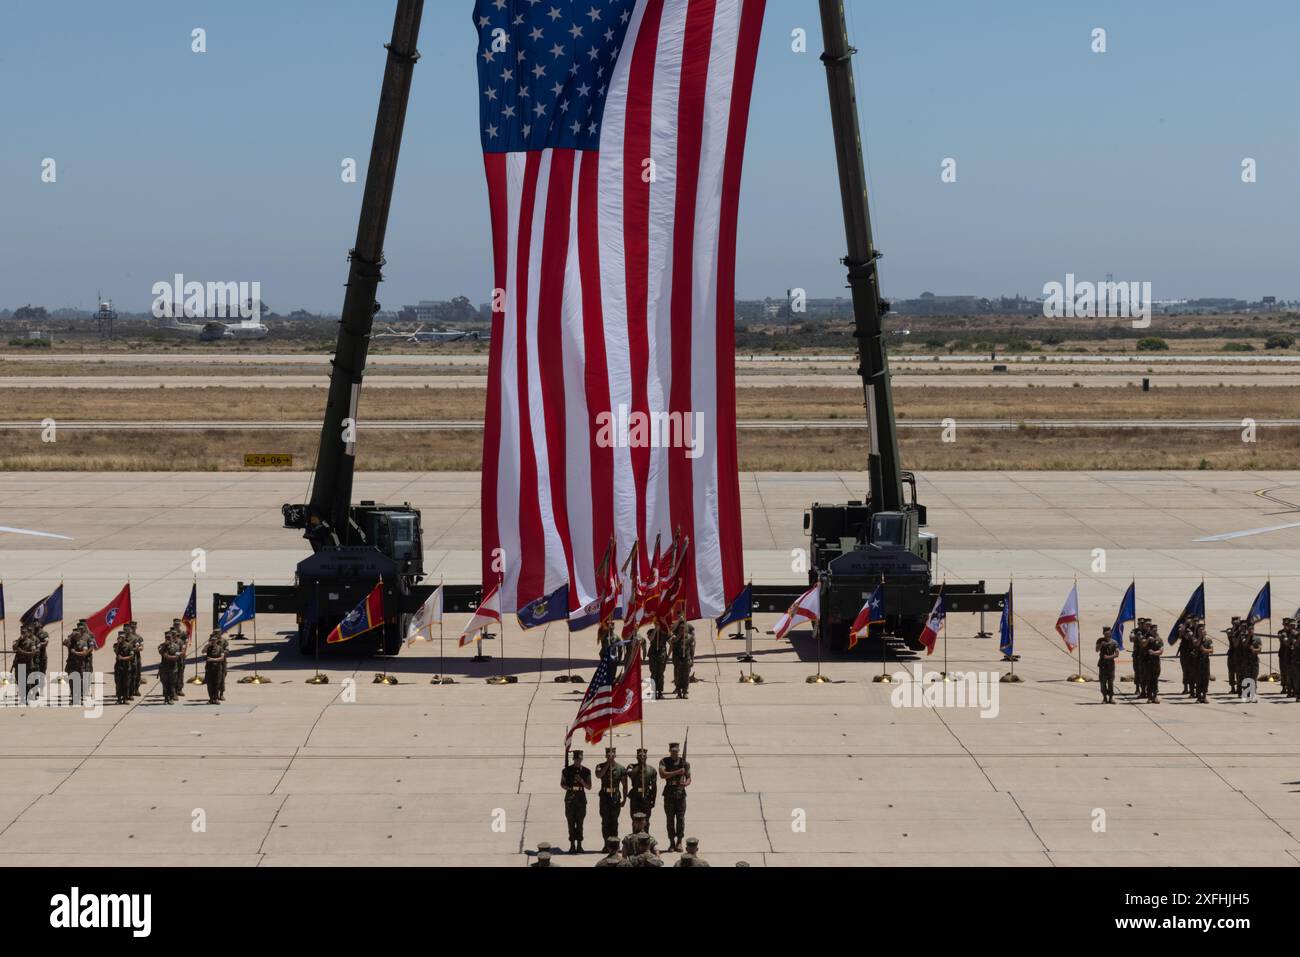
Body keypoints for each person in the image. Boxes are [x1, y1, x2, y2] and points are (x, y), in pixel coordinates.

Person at [659, 741, 691, 853]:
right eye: (673, 751)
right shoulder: (664, 761)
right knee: (670, 819)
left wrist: (685, 783)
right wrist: (678, 772)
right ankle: (671, 842)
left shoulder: (684, 763)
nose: (675, 753)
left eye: (676, 751)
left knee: (680, 819)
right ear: (669, 751)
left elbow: (689, 777)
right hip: (669, 793)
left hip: (680, 792)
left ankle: (679, 842)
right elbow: (662, 775)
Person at [560, 749, 592, 853]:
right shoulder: (566, 770)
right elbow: (562, 784)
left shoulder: (586, 771)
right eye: (576, 759)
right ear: (573, 759)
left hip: (581, 799)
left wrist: (581, 781)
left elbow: (589, 787)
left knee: (580, 823)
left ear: (582, 759)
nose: (578, 761)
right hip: (570, 799)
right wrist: (569, 787)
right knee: (570, 822)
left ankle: (579, 844)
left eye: (579, 759)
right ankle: (572, 844)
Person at [594, 746, 627, 842]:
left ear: (615, 755)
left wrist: (624, 799)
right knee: (605, 821)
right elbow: (598, 775)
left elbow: (624, 785)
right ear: (605, 755)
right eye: (608, 755)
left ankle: (614, 843)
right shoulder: (600, 766)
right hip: (605, 796)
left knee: (614, 821)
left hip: (615, 796)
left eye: (612, 755)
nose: (610, 757)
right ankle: (606, 843)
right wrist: (608, 764)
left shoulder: (621, 768)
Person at [626, 747, 658, 820]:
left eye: (643, 756)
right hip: (635, 796)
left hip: (646, 796)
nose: (641, 757)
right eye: (639, 756)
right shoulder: (631, 766)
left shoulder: (651, 770)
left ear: (646, 757)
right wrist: (640, 766)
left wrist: (654, 799)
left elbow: (654, 786)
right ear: (637, 757)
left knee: (646, 819)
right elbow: (631, 774)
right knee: (635, 819)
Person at [670, 615, 695, 699]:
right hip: (677, 659)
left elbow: (692, 649)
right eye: (680, 629)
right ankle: (678, 691)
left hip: (686, 658)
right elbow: (673, 641)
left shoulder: (690, 637)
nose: (682, 630)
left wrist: (692, 659)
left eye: (683, 629)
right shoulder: (675, 636)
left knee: (686, 676)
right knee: (677, 676)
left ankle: (685, 691)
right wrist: (680, 635)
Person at [202, 630, 227, 705]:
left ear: (217, 640)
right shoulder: (209, 648)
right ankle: (211, 699)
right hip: (209, 669)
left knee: (217, 684)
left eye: (214, 640)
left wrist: (213, 659)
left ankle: (216, 699)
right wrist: (207, 645)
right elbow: (203, 651)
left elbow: (222, 658)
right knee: (209, 684)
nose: (213, 641)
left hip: (217, 669)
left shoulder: (220, 648)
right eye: (212, 640)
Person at [1096, 627, 1118, 704]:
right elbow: (1097, 650)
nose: (1107, 635)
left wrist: (1109, 657)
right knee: (1103, 682)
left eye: (1108, 633)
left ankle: (1111, 697)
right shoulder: (1100, 640)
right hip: (1102, 664)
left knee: (1111, 682)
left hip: (1111, 665)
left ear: (1110, 633)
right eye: (1105, 633)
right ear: (1103, 633)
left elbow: (1117, 654)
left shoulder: (1114, 642)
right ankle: (1104, 698)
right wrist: (1100, 645)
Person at [647, 625, 669, 700]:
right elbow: (650, 638)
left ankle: (660, 692)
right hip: (653, 655)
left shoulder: (665, 632)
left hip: (662, 655)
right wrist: (656, 630)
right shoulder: (651, 631)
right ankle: (653, 692)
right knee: (653, 674)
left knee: (660, 674)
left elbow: (671, 641)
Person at [112, 629, 134, 705]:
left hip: (126, 667)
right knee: (118, 684)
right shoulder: (116, 645)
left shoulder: (129, 646)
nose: (120, 638)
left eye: (122, 637)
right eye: (119, 637)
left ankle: (125, 699)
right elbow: (116, 652)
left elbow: (131, 656)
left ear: (124, 637)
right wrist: (118, 643)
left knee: (126, 684)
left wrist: (123, 658)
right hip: (118, 667)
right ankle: (118, 699)